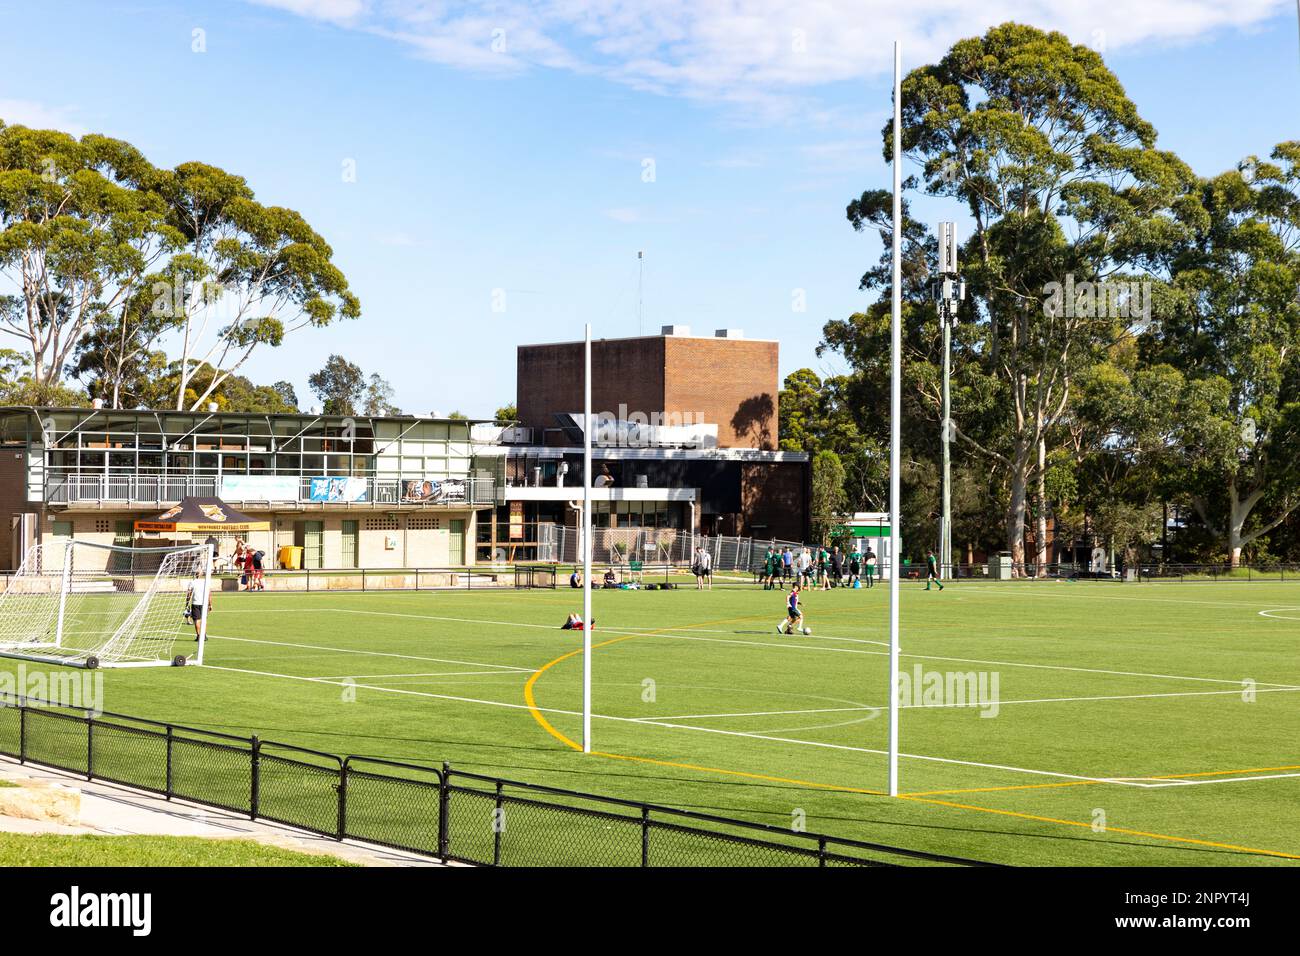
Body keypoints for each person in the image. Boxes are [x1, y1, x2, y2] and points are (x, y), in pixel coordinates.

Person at [187, 568, 212, 641]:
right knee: (204, 619)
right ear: (202, 574)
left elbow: (189, 594)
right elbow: (209, 594)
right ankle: (204, 635)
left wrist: (187, 604)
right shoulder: (206, 582)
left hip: (195, 603)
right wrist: (210, 604)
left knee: (197, 620)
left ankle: (198, 635)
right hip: (204, 603)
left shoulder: (192, 582)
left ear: (195, 574)